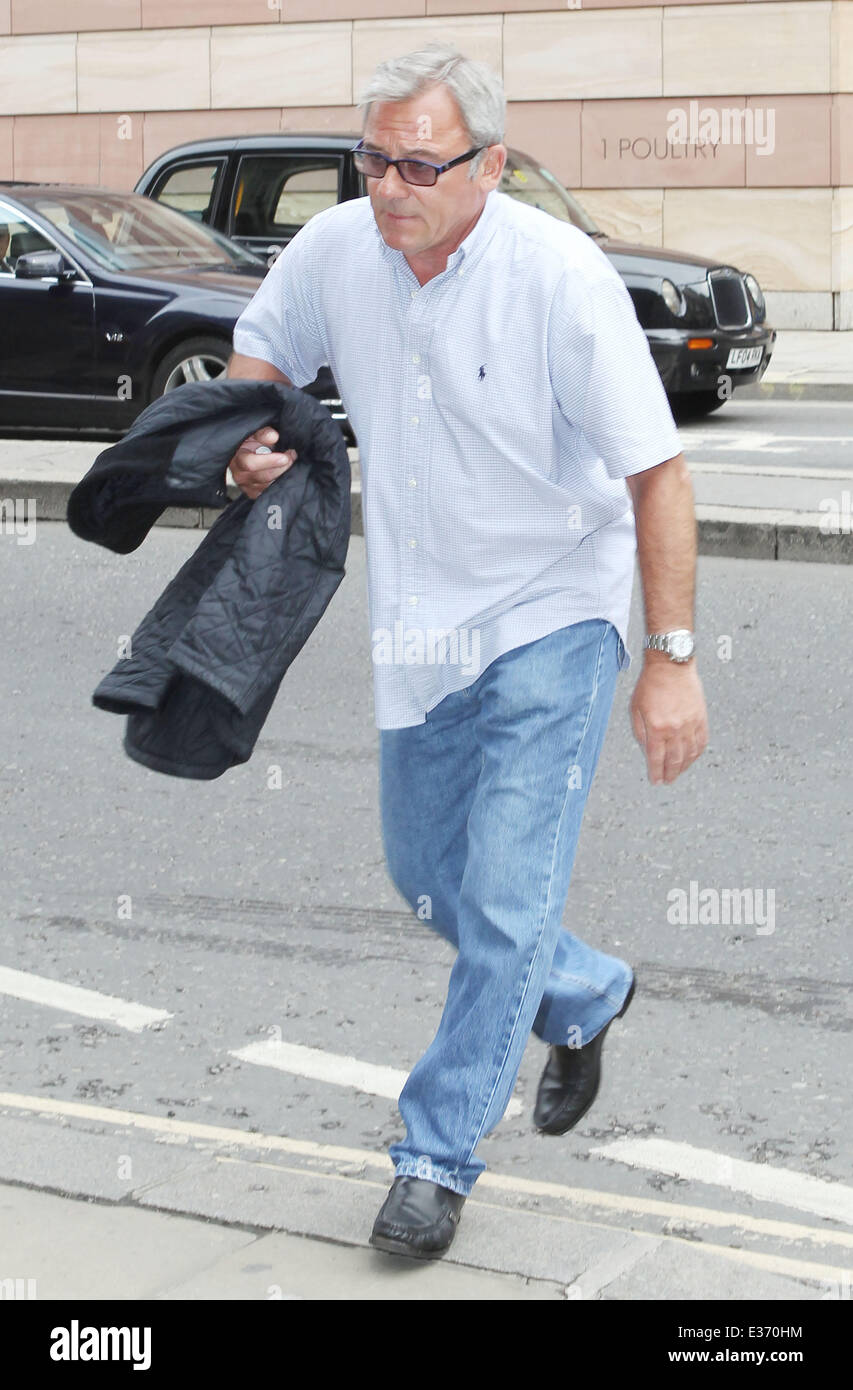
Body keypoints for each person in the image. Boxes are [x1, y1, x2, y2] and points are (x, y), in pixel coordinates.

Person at [225, 42, 708, 1262]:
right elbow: (260, 351)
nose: (390, 187)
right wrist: (247, 434)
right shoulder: (339, 250)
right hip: (420, 627)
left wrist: (669, 656)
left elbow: (657, 471)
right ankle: (584, 990)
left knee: (499, 895)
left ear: (490, 165)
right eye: (373, 159)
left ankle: (433, 1158)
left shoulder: (557, 279)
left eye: (419, 164)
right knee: (423, 871)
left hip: (557, 610)